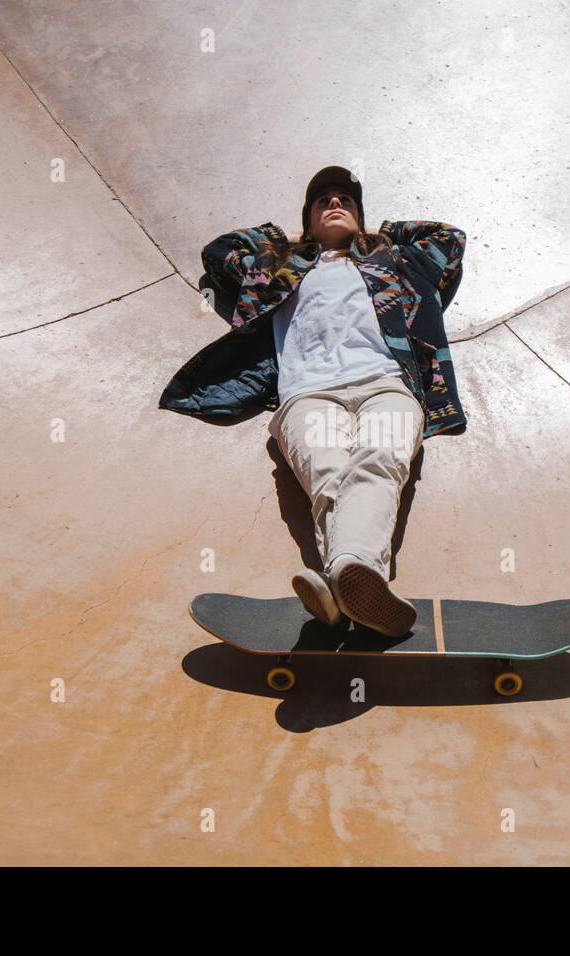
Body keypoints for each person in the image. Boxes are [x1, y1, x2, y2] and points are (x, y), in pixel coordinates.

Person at [166, 166, 467, 637]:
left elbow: (448, 240)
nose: (335, 204)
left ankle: (340, 583)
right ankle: (353, 581)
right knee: (327, 472)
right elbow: (218, 253)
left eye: (345, 200)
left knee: (380, 460)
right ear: (306, 218)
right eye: (323, 200)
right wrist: (285, 236)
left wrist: (378, 232)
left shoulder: (396, 261)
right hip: (307, 392)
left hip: (387, 382)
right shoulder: (278, 270)